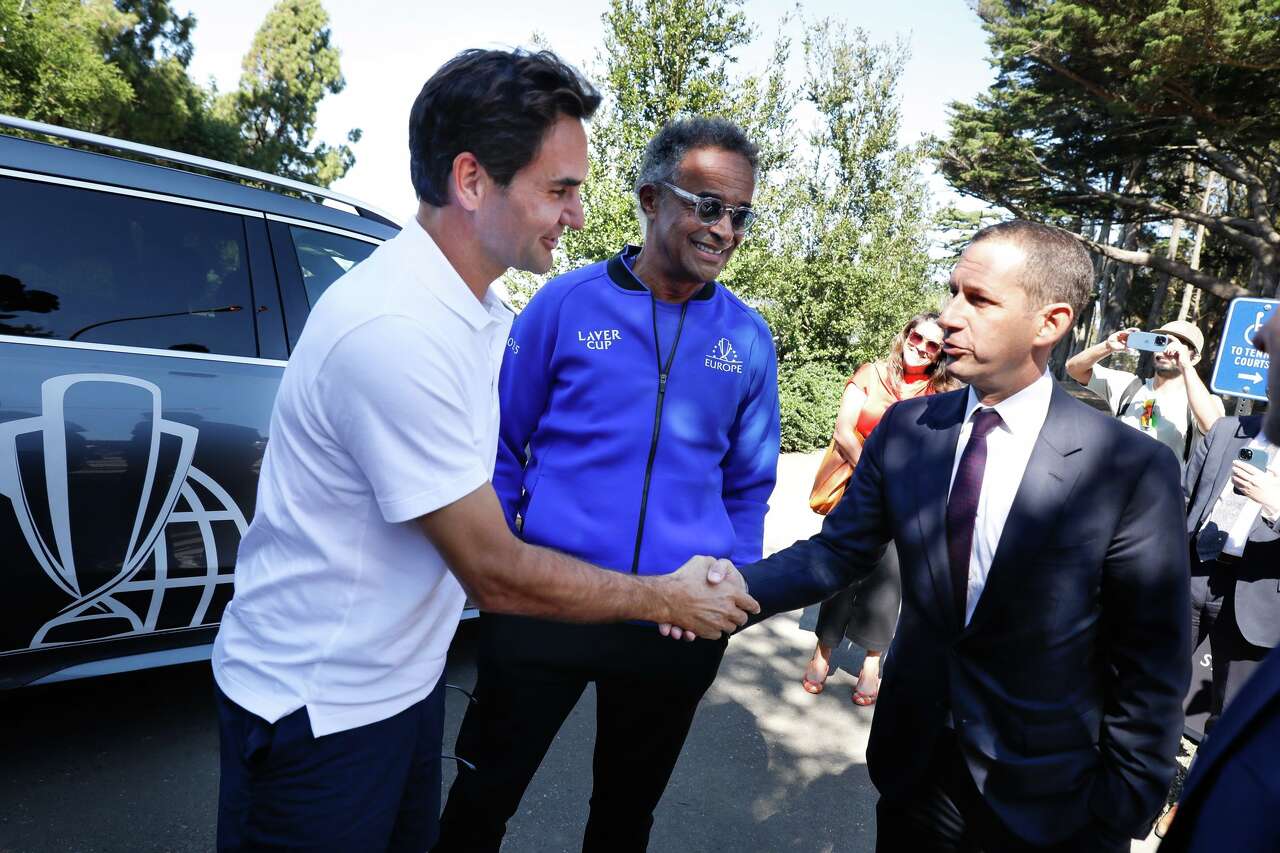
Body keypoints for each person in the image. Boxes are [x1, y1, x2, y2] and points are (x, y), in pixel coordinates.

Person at [209, 50, 757, 853]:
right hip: (318, 708)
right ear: (471, 179)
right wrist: (669, 600)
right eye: (559, 189)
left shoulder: (478, 312)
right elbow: (493, 569)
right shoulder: (396, 330)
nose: (577, 215)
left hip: (399, 689)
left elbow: (745, 479)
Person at [725, 220, 1191, 850]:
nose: (948, 317)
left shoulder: (1130, 468)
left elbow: (1151, 654)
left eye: (978, 300)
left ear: (1050, 323)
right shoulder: (907, 428)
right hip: (917, 771)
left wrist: (1123, 803)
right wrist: (723, 592)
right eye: (952, 292)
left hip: (1055, 796)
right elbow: (837, 552)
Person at [434, 117, 779, 853]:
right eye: (709, 206)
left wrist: (729, 574)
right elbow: (501, 447)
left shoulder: (748, 337)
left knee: (625, 817)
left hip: (674, 619)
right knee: (481, 797)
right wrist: (505, 560)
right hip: (548, 597)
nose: (726, 230)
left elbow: (749, 484)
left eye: (741, 214)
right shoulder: (566, 303)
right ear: (652, 199)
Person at [1159, 305, 1280, 853]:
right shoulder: (1229, 430)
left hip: (1260, 599)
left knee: (1224, 714)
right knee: (1157, 686)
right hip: (1195, 576)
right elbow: (1183, 500)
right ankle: (1147, 784)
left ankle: (1191, 805)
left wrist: (1276, 505)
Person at [802, 312, 954, 705]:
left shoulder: (941, 392)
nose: (921, 347)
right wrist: (876, 477)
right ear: (906, 334)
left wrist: (899, 487)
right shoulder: (871, 374)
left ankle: (872, 661)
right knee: (841, 566)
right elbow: (843, 431)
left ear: (940, 353)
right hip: (858, 486)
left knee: (891, 576)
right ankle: (823, 650)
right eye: (917, 337)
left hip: (908, 495)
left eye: (932, 344)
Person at [1065, 320, 1224, 463]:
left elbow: (1214, 428)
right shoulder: (1129, 385)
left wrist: (1185, 365)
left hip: (1163, 486)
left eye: (1177, 345)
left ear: (1194, 358)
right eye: (1161, 341)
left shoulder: (1204, 402)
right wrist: (1107, 346)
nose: (1166, 350)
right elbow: (1074, 369)